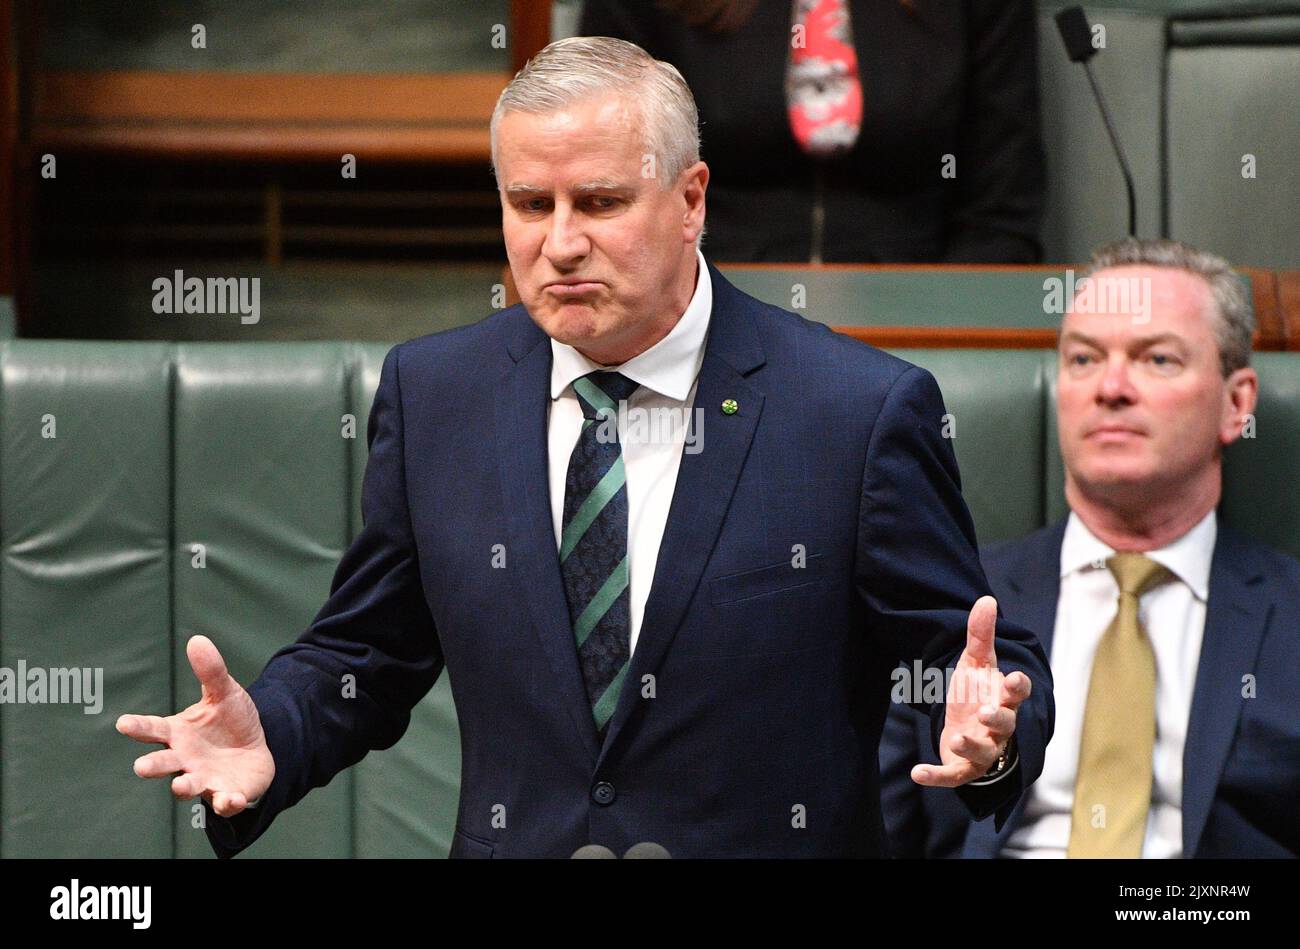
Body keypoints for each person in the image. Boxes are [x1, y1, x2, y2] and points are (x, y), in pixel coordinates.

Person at [117, 36, 1053, 859]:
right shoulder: (437, 395)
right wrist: (271, 734)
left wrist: (990, 734)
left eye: (600, 201)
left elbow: (977, 659)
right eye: (530, 204)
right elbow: (367, 652)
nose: (560, 243)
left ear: (690, 200)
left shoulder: (856, 412)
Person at [880, 238, 1300, 858]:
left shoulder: (1289, 612)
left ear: (1236, 403)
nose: (1110, 387)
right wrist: (992, 764)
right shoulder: (951, 606)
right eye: (1082, 359)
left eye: (1156, 359)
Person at [579, 0, 1046, 263]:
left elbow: (1001, 209)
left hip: (920, 315)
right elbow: (613, 180)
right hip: (702, 303)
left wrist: (941, 333)